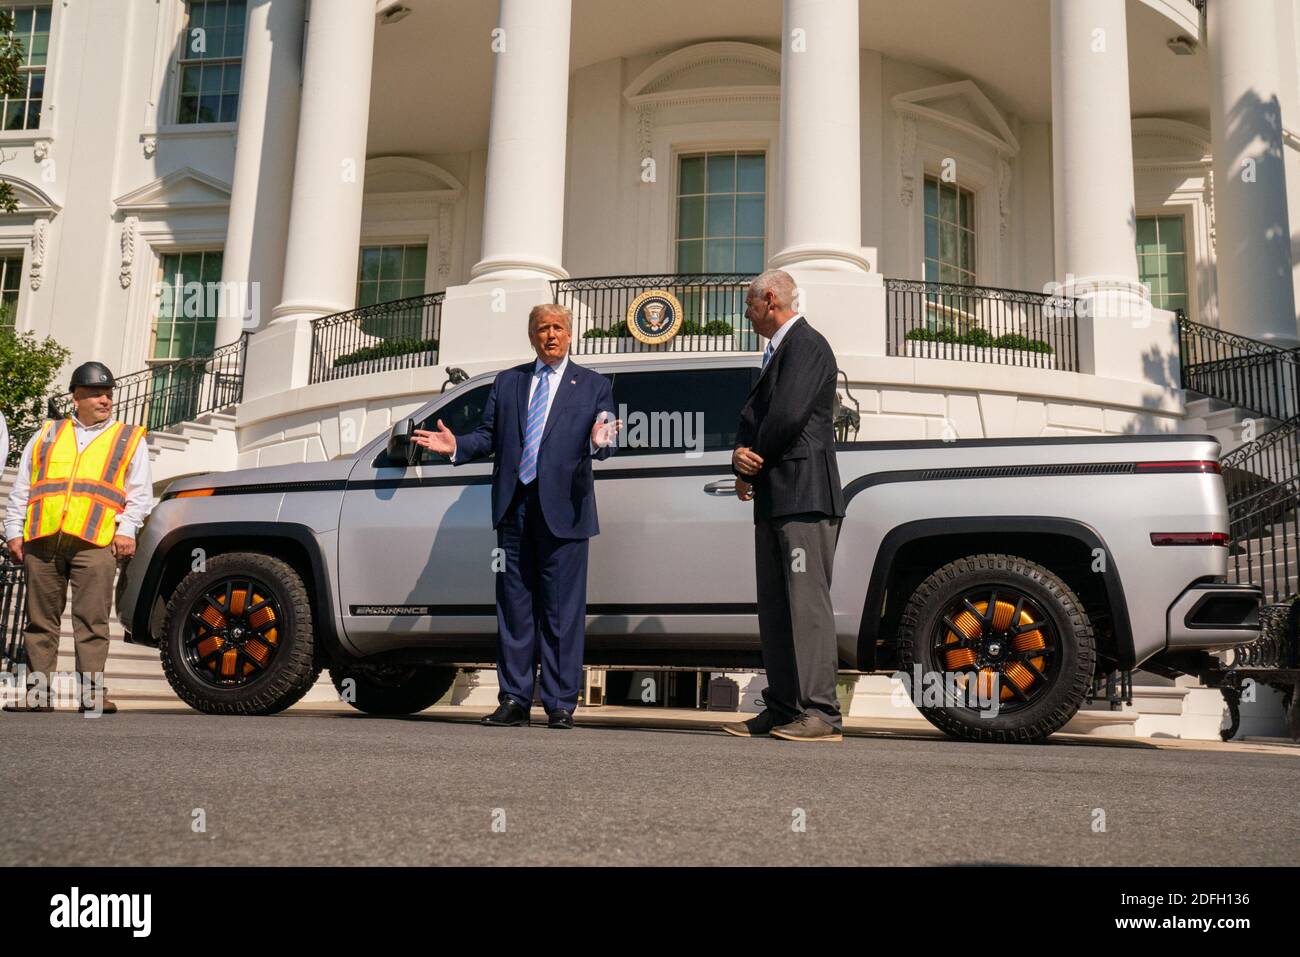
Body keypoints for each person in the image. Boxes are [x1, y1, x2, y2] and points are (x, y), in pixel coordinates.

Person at [413, 304, 621, 729]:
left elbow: (605, 433)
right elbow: (489, 436)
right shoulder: (509, 382)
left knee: (562, 612)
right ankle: (513, 700)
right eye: (542, 329)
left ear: (570, 334)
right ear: (531, 336)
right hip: (514, 510)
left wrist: (601, 441)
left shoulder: (594, 385)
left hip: (565, 513)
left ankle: (560, 703)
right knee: (514, 608)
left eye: (558, 328)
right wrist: (456, 446)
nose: (551, 335)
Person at [723, 269, 847, 742]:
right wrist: (738, 456)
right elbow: (755, 419)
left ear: (769, 298)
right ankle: (783, 708)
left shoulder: (807, 344)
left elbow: (788, 415)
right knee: (776, 609)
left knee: (806, 608)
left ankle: (821, 713)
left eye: (750, 306)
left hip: (804, 495)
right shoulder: (776, 350)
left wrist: (751, 462)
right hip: (778, 495)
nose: (747, 314)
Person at [3, 362, 153, 714]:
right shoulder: (47, 433)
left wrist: (128, 529)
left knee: (92, 621)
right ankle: (38, 696)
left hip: (95, 540)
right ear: (76, 397)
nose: (105, 400)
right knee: (39, 622)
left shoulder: (127, 438)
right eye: (96, 394)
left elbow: (140, 493)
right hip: (42, 538)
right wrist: (13, 530)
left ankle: (92, 696)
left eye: (109, 394)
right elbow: (24, 486)